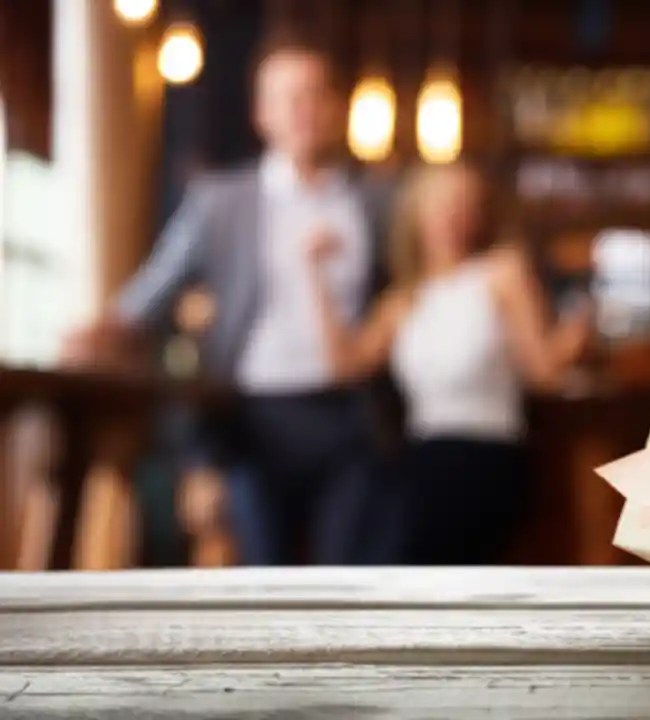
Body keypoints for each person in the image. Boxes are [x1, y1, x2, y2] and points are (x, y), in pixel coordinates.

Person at [62, 34, 383, 566]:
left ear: (335, 107)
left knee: (348, 581)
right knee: (262, 579)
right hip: (253, 416)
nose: (306, 110)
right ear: (263, 114)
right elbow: (154, 289)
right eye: (290, 97)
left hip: (348, 418)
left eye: (316, 94)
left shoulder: (370, 202)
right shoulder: (221, 201)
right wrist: (104, 331)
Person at [306, 163, 591, 564]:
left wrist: (577, 332)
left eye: (466, 204)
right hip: (423, 456)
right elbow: (345, 365)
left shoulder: (503, 273)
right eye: (443, 203)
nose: (454, 215)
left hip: (488, 453)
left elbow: (543, 372)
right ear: (416, 212)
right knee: (370, 512)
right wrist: (316, 277)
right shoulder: (403, 300)